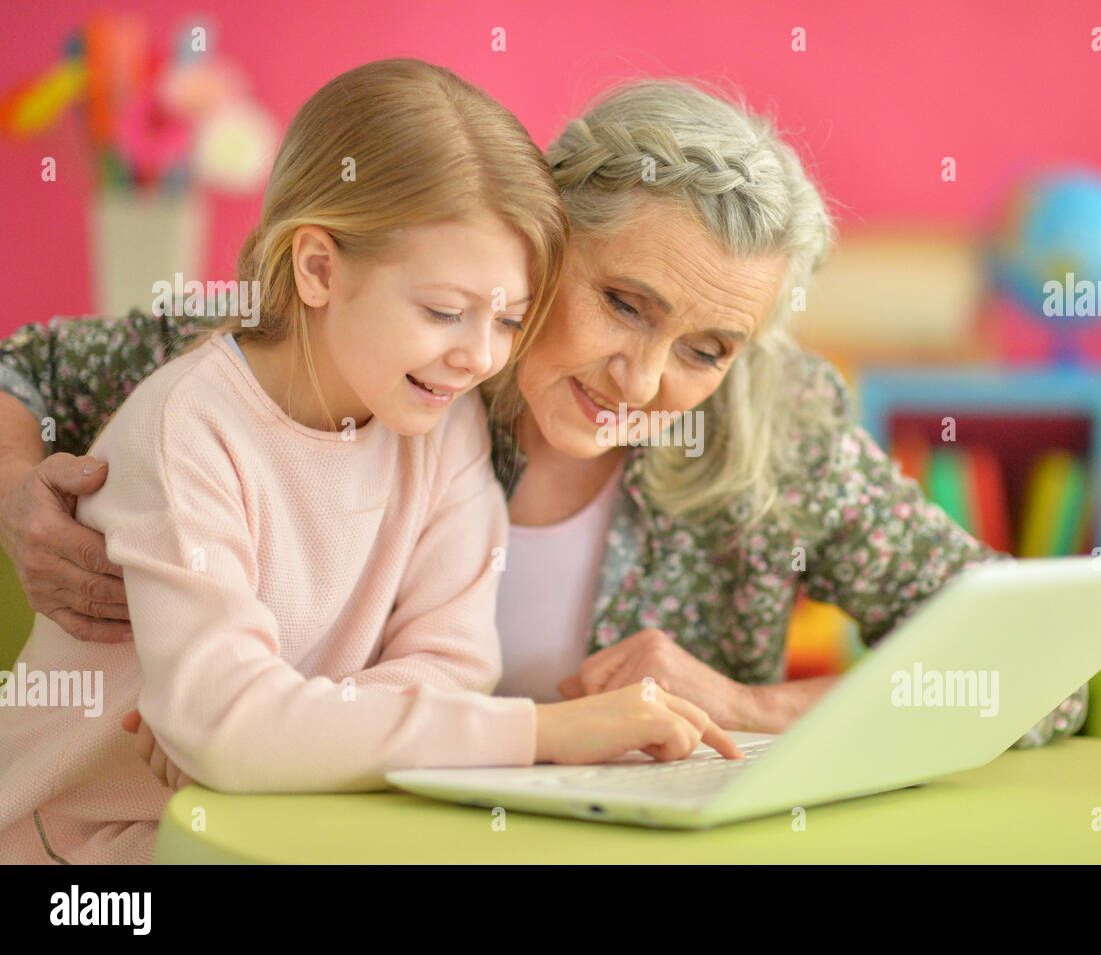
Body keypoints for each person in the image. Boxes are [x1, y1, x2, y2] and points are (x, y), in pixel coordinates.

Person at [0, 76, 1087, 783]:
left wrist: (753, 702)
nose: (646, 378)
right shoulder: (387, 350)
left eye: (707, 349)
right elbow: (28, 369)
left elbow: (1043, 672)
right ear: (541, 244)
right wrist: (12, 485)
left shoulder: (779, 434)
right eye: (623, 303)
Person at [0, 60, 739, 866]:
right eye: (446, 312)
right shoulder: (191, 430)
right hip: (73, 851)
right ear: (319, 268)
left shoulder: (442, 429)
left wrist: (270, 740)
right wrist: (543, 731)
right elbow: (234, 729)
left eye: (510, 320)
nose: (480, 358)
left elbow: (450, 674)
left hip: (269, 829)